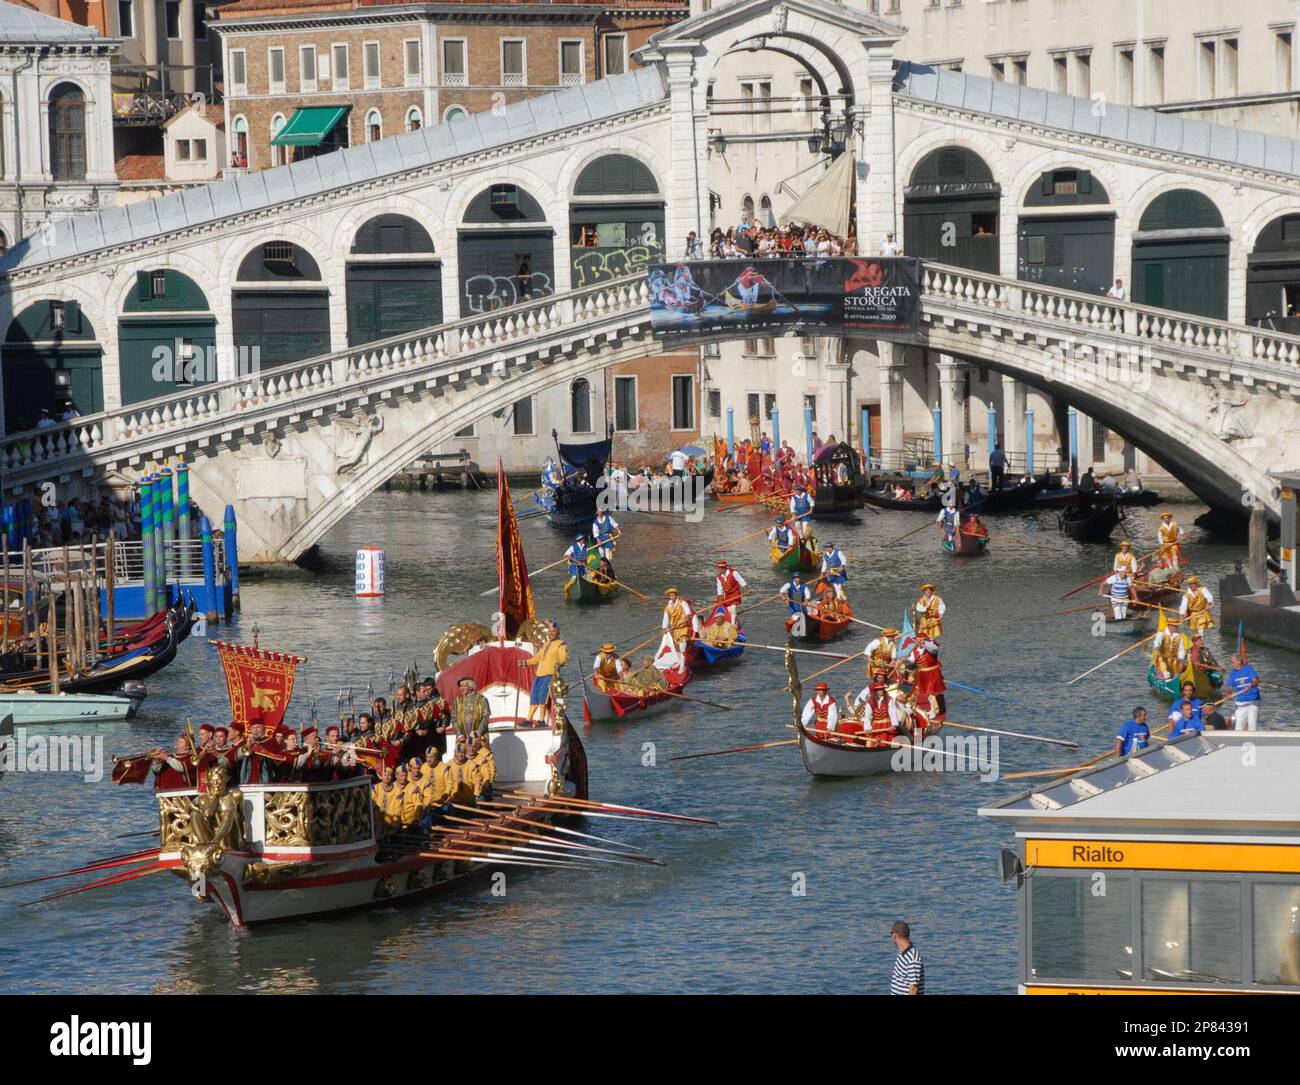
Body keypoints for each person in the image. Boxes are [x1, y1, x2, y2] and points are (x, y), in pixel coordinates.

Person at [525, 629, 568, 726]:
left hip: (550, 673)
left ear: (558, 633)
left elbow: (563, 658)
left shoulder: (561, 644)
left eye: (553, 632)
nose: (551, 633)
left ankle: (541, 720)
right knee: (534, 695)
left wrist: (560, 663)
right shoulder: (545, 645)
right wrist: (526, 663)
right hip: (539, 673)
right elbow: (537, 658)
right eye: (549, 632)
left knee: (542, 695)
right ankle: (528, 720)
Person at [450, 677, 491, 744]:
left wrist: (478, 733)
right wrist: (459, 735)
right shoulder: (457, 701)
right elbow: (454, 718)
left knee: (480, 753)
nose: (462, 688)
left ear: (471, 686)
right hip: (462, 736)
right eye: (460, 686)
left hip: (479, 735)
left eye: (464, 686)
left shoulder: (482, 699)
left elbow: (486, 717)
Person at [1226, 653, 1261, 731]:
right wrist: (1229, 694)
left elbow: (1255, 681)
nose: (1232, 664)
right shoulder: (1232, 674)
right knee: (1239, 726)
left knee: (1252, 724)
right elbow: (1230, 686)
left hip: (1252, 701)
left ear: (1238, 662)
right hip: (1240, 701)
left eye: (1233, 662)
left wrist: (1249, 686)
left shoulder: (1248, 669)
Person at [890, 922, 925, 995]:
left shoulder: (912, 958)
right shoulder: (902, 954)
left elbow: (913, 989)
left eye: (891, 933)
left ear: (895, 935)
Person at [661, 587, 698, 653]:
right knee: (676, 646)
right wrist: (664, 628)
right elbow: (665, 619)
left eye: (673, 595)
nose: (672, 597)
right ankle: (680, 658)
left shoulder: (682, 603)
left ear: (676, 595)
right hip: (675, 629)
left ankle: (682, 660)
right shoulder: (667, 608)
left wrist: (687, 616)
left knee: (682, 645)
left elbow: (688, 613)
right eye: (670, 596)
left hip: (683, 628)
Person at [714, 559, 748, 624]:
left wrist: (746, 590)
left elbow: (740, 580)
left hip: (735, 593)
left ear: (725, 568)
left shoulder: (733, 572)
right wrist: (720, 598)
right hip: (727, 595)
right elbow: (719, 588)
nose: (720, 570)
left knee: (733, 609)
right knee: (729, 610)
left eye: (721, 568)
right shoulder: (719, 577)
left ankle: (732, 626)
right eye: (719, 568)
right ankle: (735, 622)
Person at [781, 572, 811, 637]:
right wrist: (783, 597)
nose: (797, 580)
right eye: (796, 578)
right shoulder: (789, 584)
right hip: (793, 603)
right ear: (794, 579)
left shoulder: (803, 586)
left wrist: (806, 601)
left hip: (802, 603)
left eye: (798, 578)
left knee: (805, 613)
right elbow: (782, 591)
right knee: (796, 613)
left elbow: (807, 595)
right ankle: (793, 625)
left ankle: (803, 626)